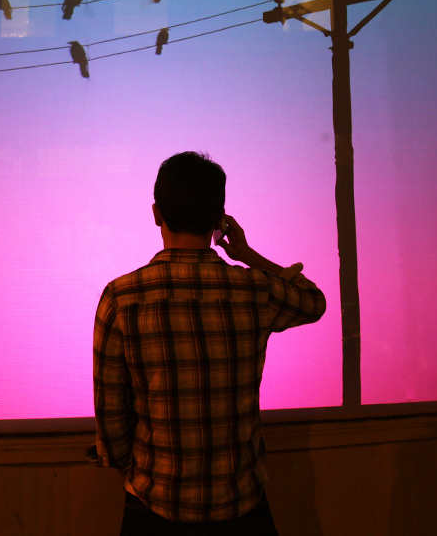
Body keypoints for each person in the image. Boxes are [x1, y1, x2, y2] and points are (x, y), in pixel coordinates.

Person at [89, 152, 327, 534]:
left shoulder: (121, 297)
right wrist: (246, 254)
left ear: (156, 212)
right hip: (241, 506)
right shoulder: (255, 290)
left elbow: (111, 415)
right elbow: (313, 301)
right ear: (220, 220)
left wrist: (130, 470)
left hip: (154, 506)